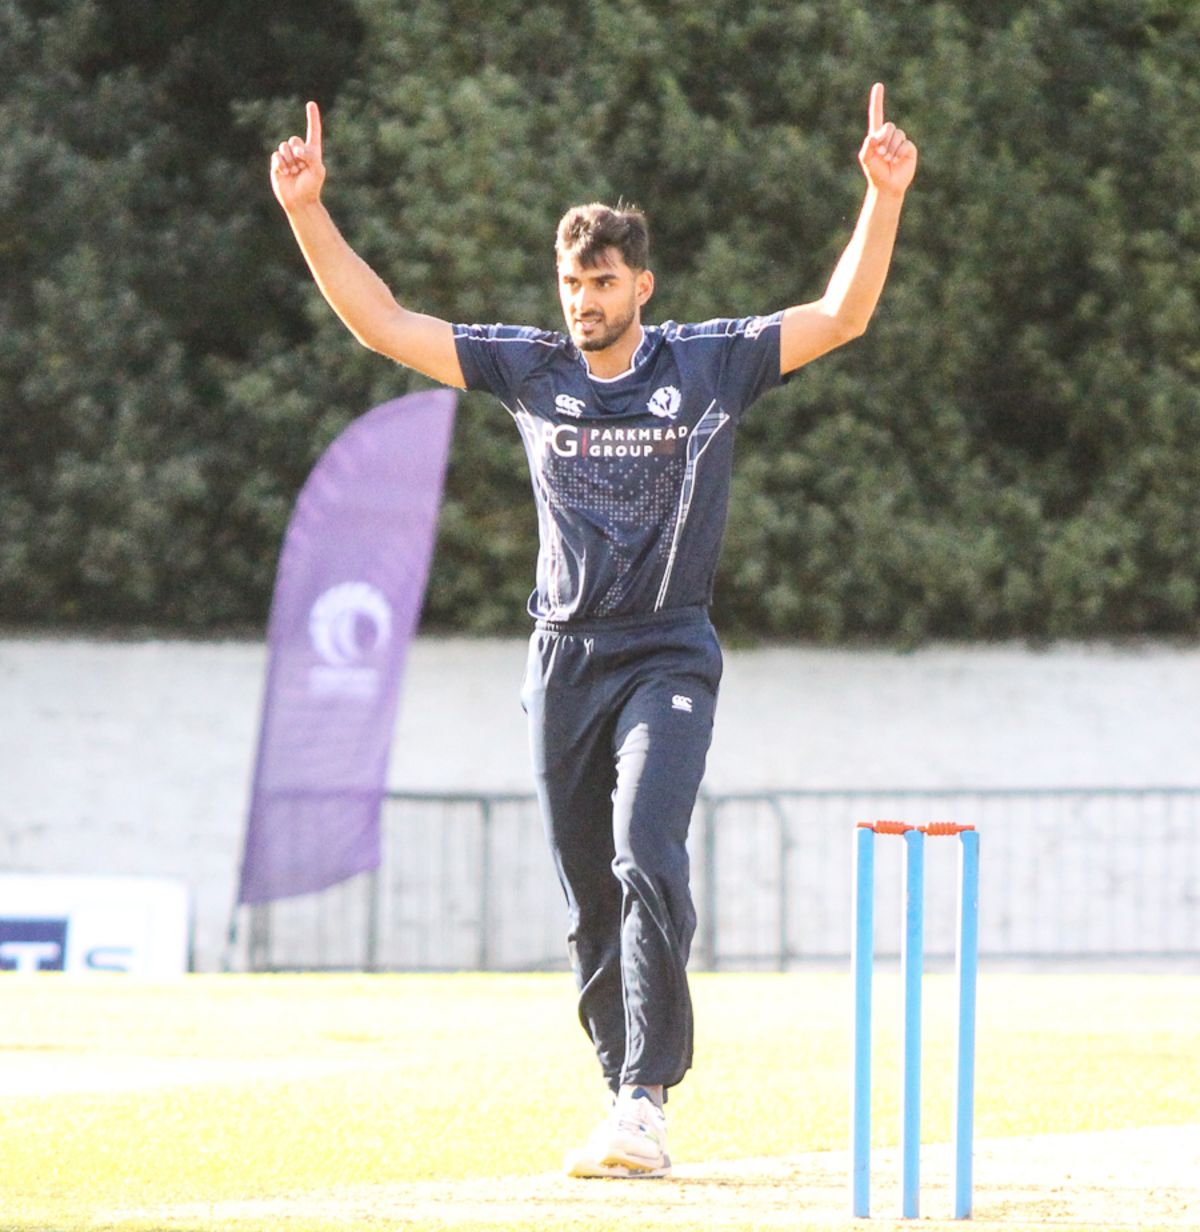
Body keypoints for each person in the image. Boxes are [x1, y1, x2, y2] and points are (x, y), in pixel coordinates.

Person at [270, 83, 916, 1178]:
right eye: (572, 281)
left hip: (667, 650)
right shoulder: (533, 372)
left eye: (601, 281)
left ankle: (644, 1097)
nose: (582, 299)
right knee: (586, 898)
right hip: (563, 659)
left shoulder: (706, 365)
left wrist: (881, 193)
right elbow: (386, 324)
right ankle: (623, 1088)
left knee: (644, 851)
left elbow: (842, 314)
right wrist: (306, 212)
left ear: (641, 287)